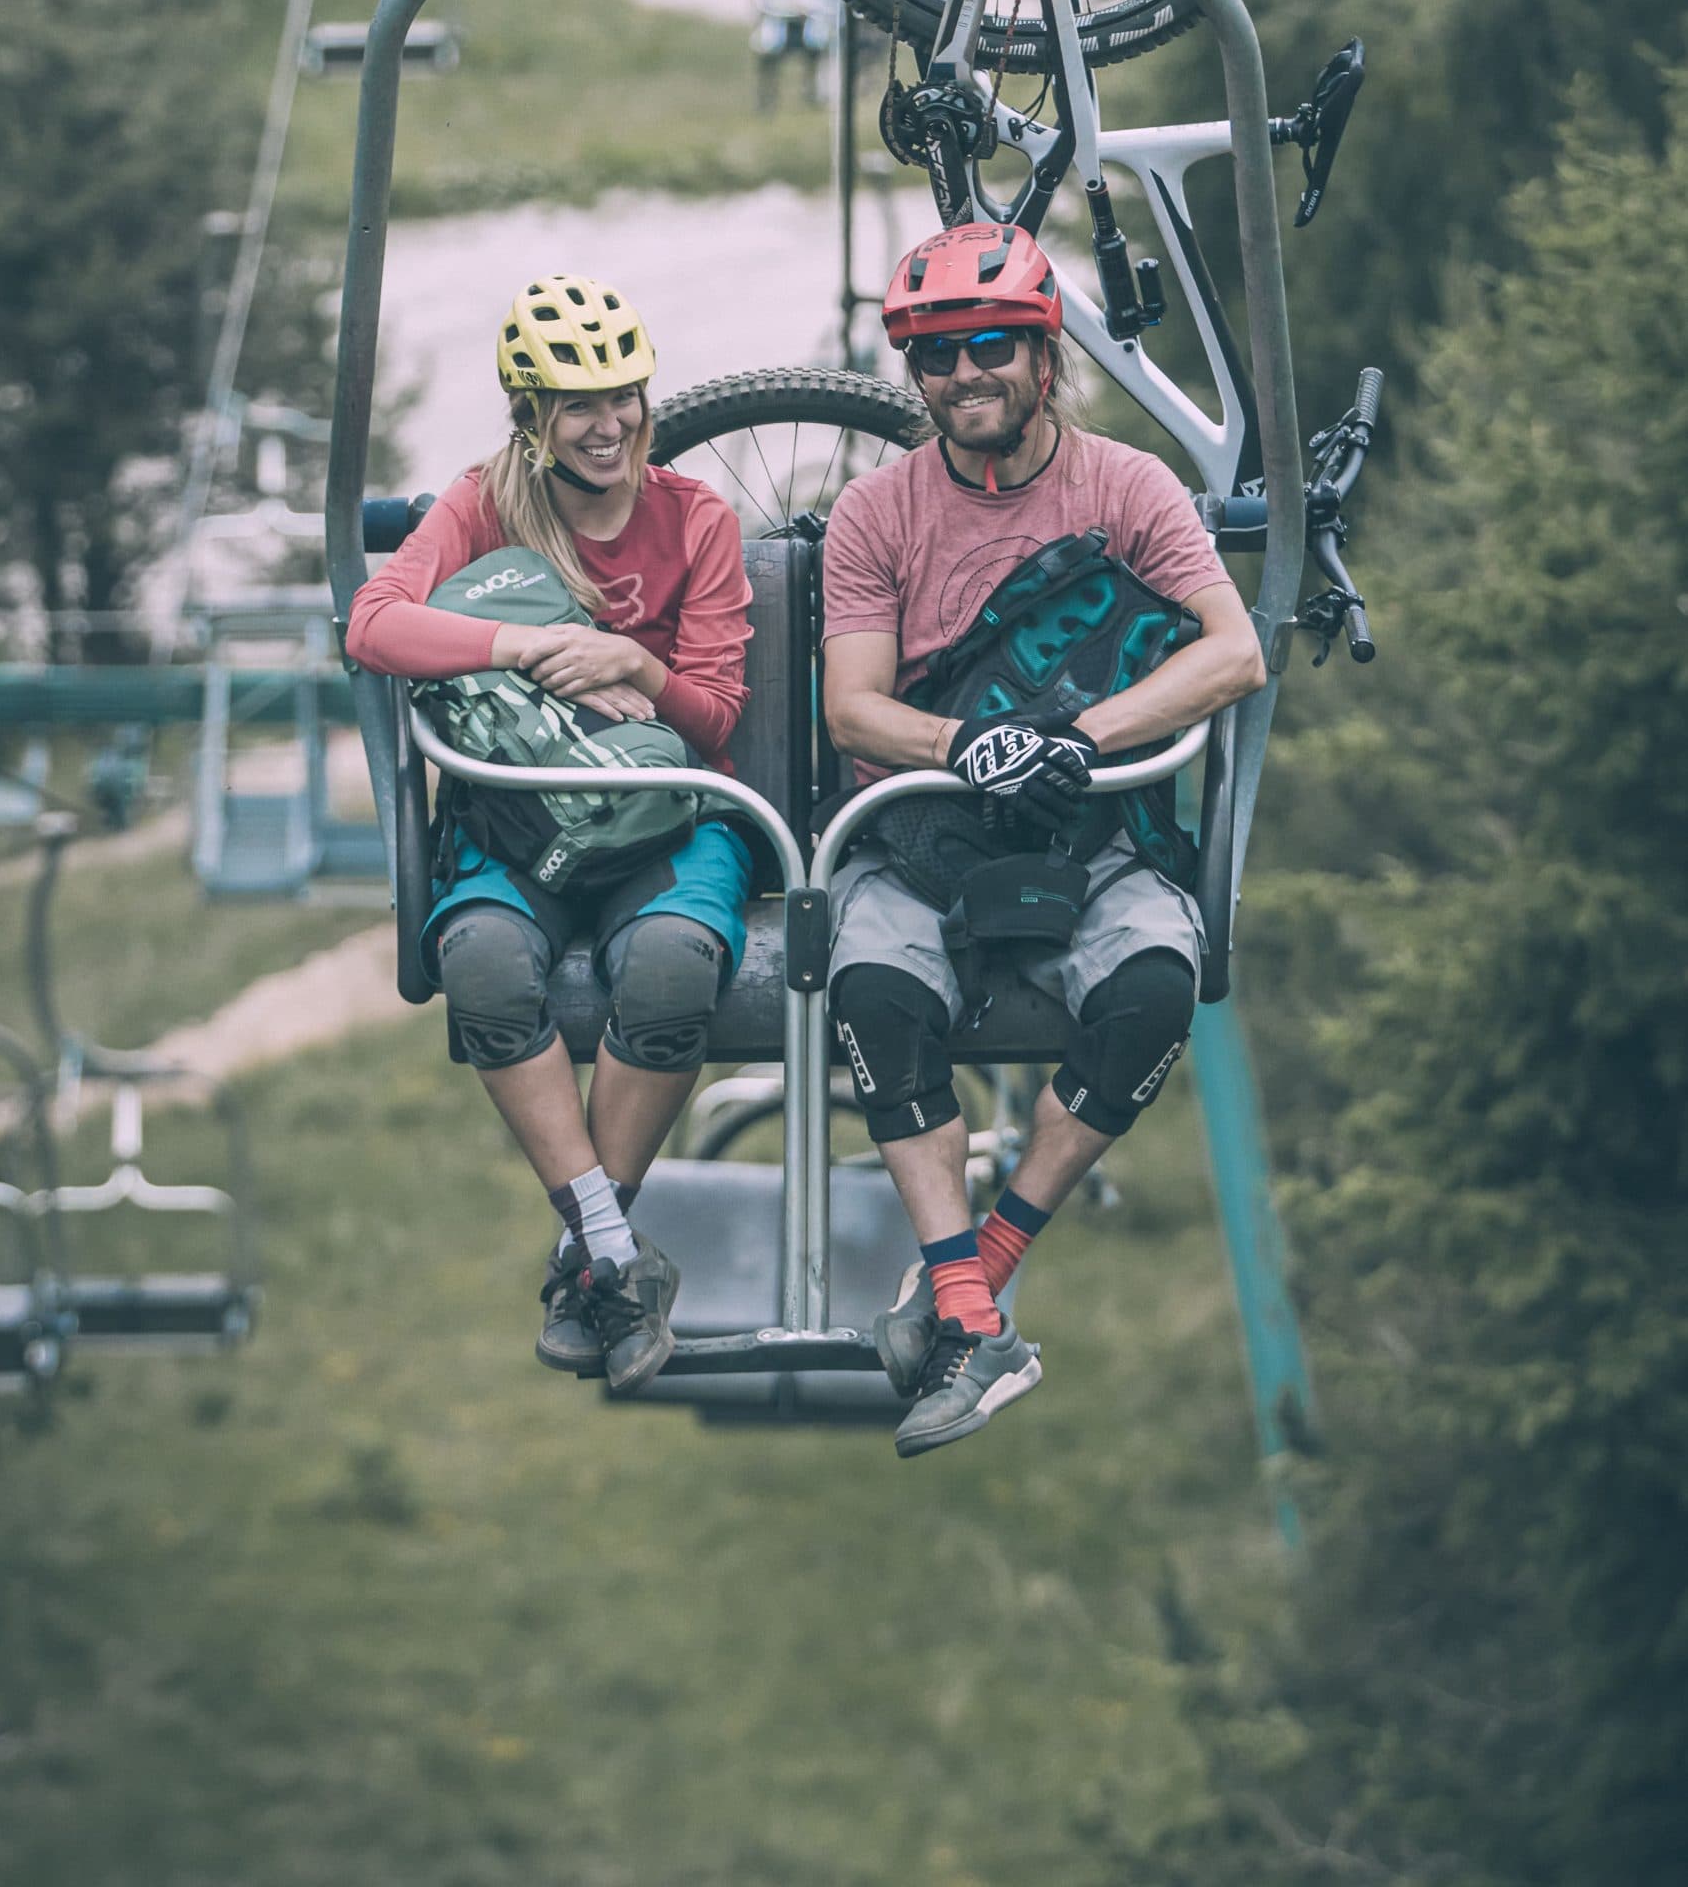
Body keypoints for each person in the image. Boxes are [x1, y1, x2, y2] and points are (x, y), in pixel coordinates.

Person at [820, 221, 1266, 1458]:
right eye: (937, 357)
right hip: (924, 829)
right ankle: (974, 1310)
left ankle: (968, 1283)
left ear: (1045, 351)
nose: (966, 376)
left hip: (1092, 823)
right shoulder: (876, 512)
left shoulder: (1129, 489)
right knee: (873, 987)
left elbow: (1234, 651)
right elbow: (853, 706)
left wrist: (1080, 735)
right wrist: (959, 748)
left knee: (1153, 989)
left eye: (993, 348)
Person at [346, 273, 752, 1394]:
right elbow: (373, 624)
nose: (608, 421)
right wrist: (517, 648)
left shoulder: (695, 518)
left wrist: (635, 662)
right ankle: (618, 1254)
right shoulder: (485, 505)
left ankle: (590, 1262)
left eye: (622, 395)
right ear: (532, 417)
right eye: (578, 405)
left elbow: (715, 713)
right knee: (478, 961)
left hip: (668, 814)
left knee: (671, 967)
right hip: (518, 814)